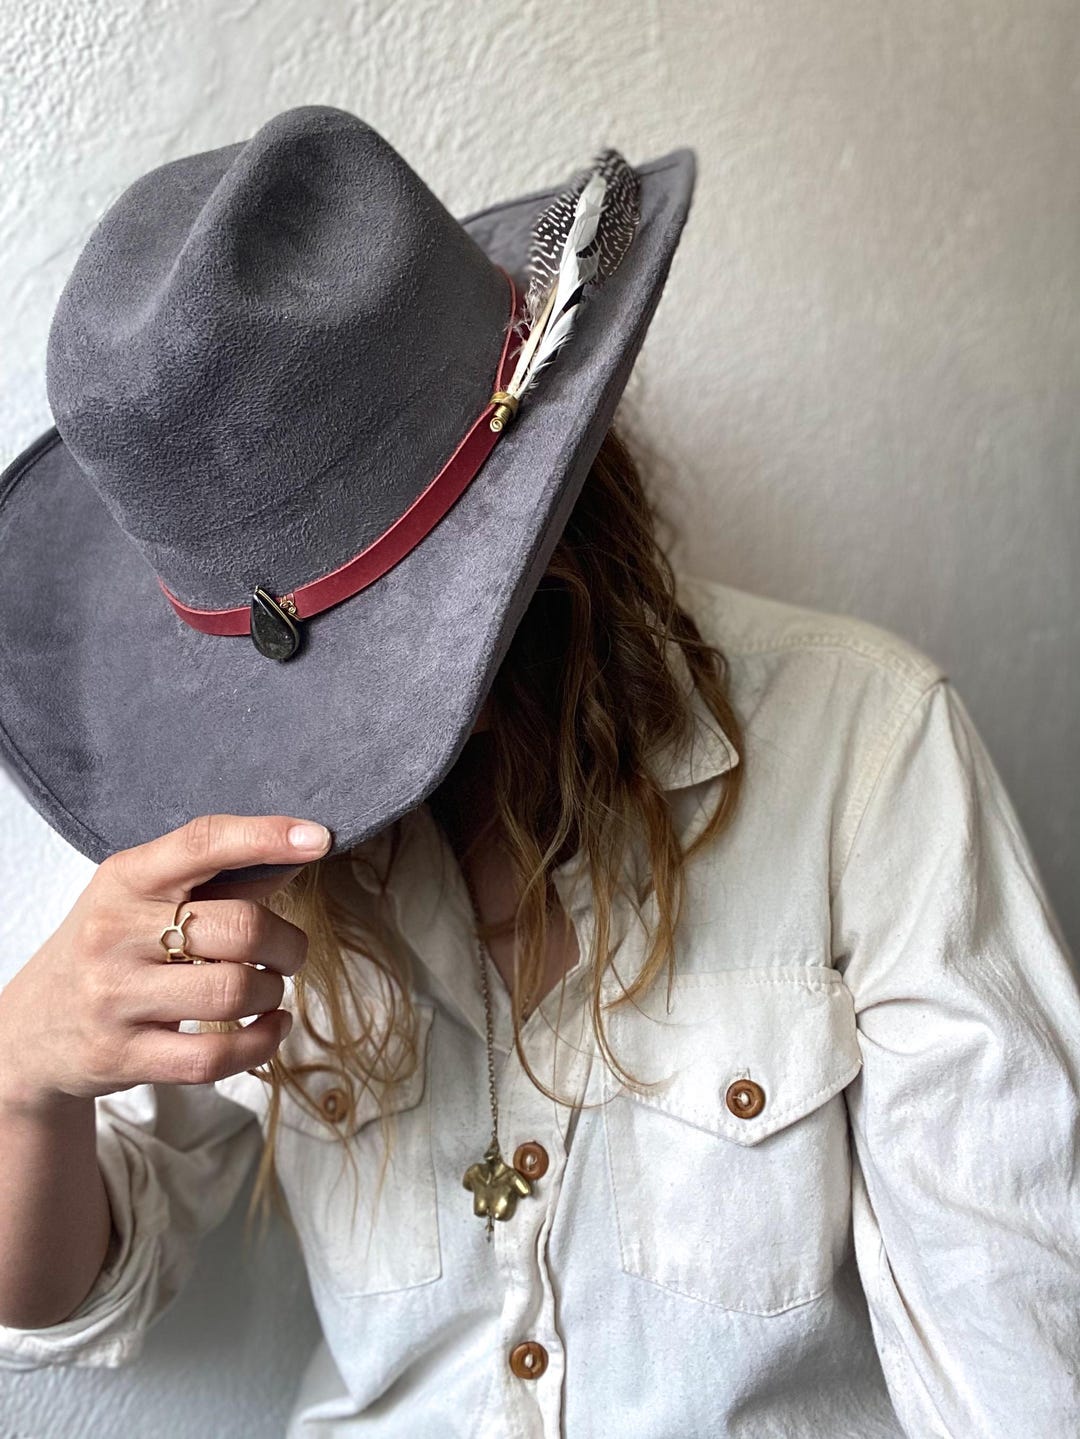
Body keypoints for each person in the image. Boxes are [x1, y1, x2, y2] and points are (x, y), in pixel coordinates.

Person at [0, 105, 1077, 1439]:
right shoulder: (214, 825)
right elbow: (75, 1302)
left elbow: (1015, 1351)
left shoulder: (867, 748)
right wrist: (21, 1082)